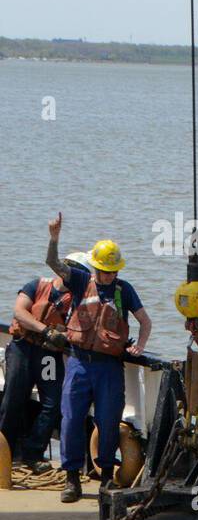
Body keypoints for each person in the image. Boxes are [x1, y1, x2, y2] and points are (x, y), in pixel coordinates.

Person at [42, 213, 152, 503]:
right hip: (79, 362)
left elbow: (145, 321)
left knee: (107, 419)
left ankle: (106, 478)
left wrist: (139, 346)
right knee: (71, 418)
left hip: (108, 367)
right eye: (105, 270)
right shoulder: (80, 281)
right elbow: (53, 264)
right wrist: (54, 238)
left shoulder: (124, 290)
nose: (109, 275)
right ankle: (71, 479)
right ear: (95, 268)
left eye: (113, 270)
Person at [0, 244, 74, 473]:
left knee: (52, 403)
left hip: (48, 355)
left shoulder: (79, 299)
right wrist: (45, 330)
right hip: (23, 348)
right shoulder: (37, 285)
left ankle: (33, 453)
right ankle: (5, 452)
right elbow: (20, 312)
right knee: (13, 399)